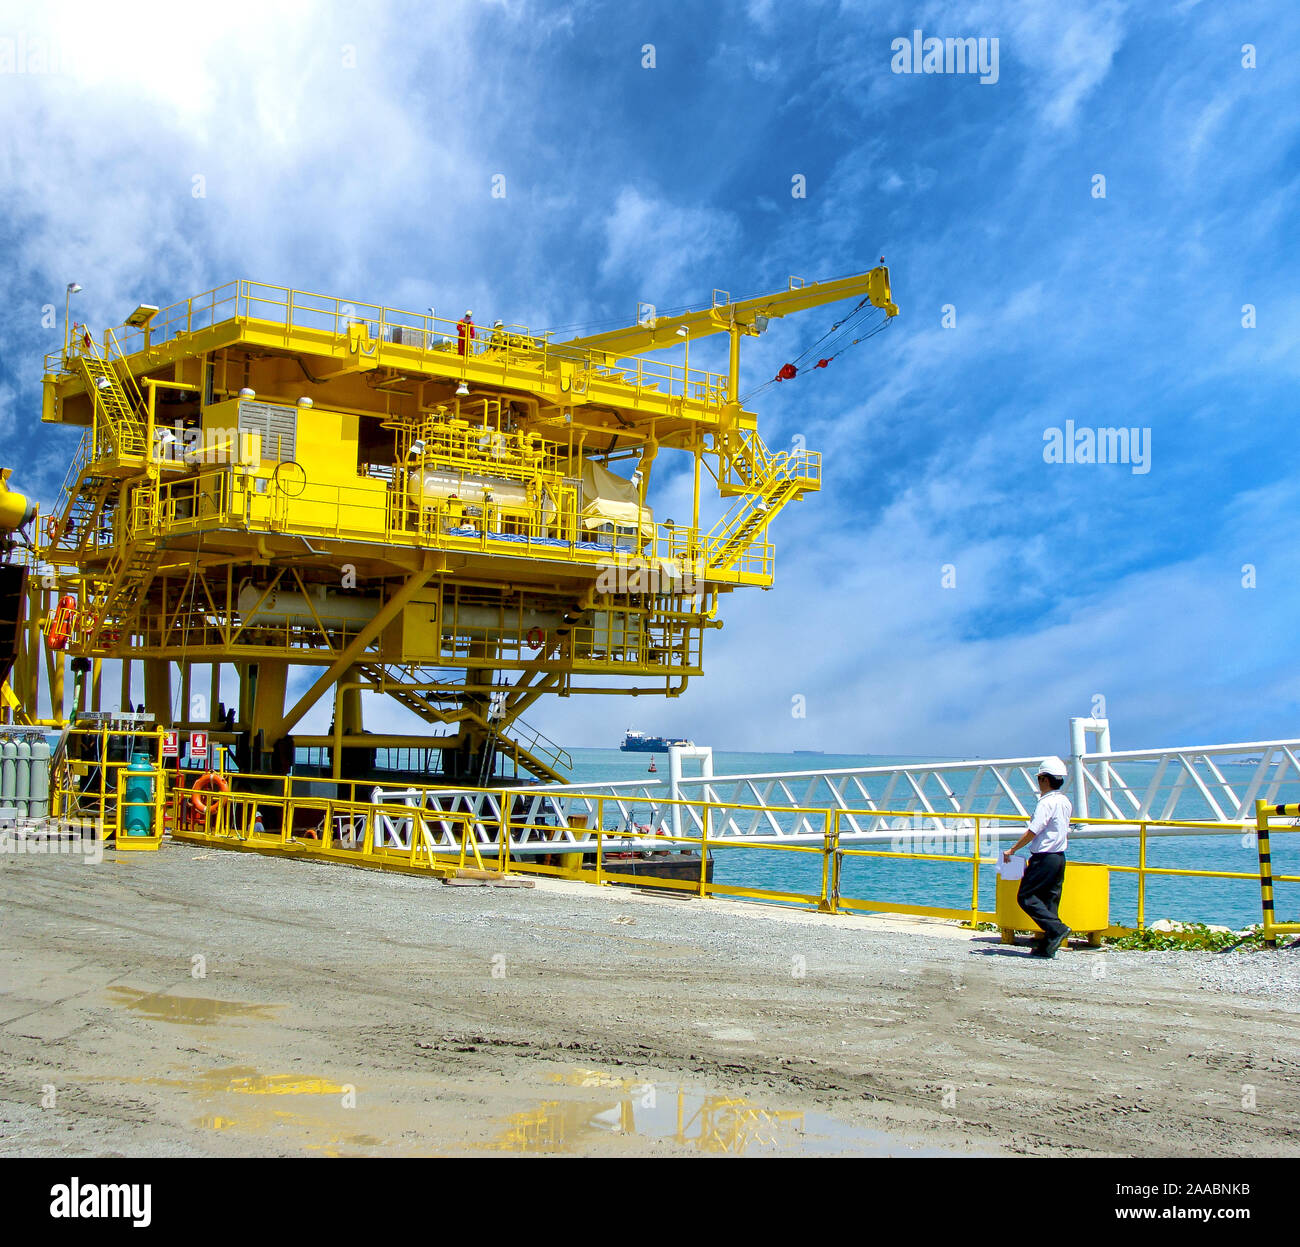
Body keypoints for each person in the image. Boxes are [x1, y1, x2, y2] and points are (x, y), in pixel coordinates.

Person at [1002, 756, 1072, 958]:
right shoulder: (1065, 801)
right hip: (1059, 857)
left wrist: (1012, 850)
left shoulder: (1046, 803)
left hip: (1043, 857)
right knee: (1050, 899)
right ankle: (1047, 945)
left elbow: (1033, 830)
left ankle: (1057, 929)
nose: (1038, 781)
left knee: (1026, 897)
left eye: (1039, 777)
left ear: (1045, 780)